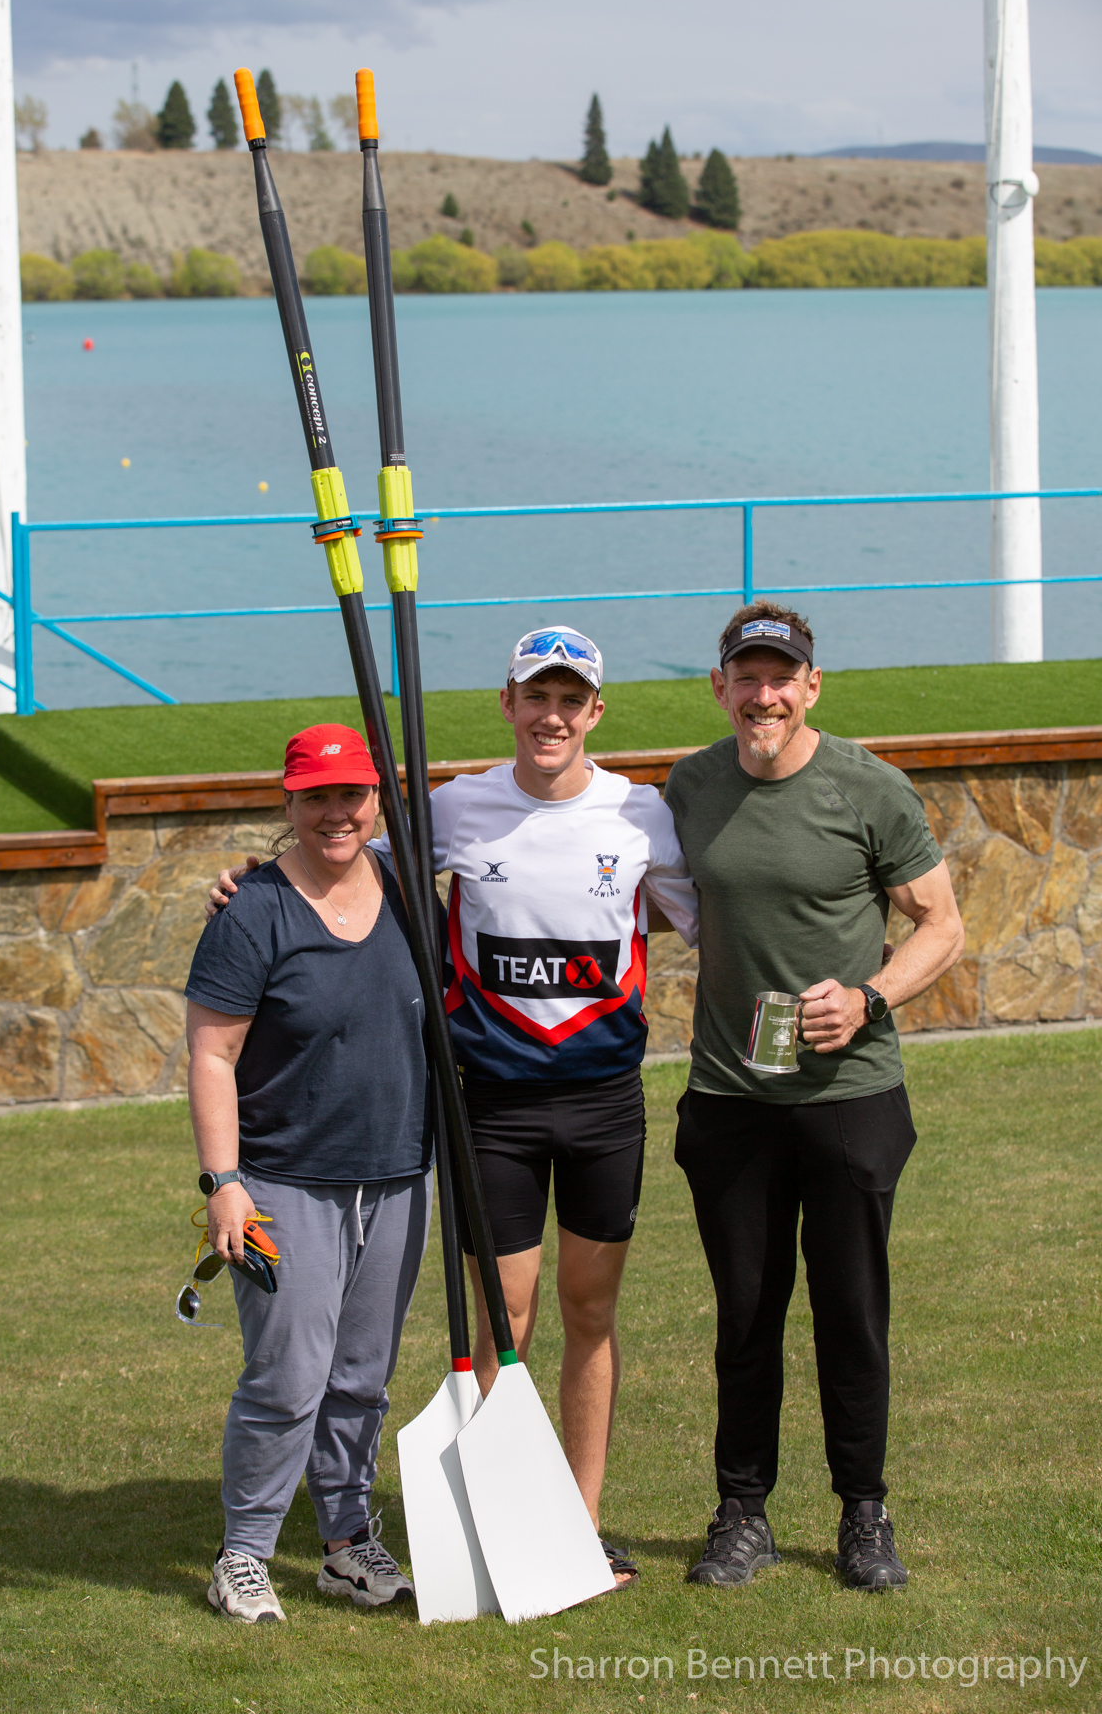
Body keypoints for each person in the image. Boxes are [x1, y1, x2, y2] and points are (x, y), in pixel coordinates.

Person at [211, 627, 699, 1587]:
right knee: (501, 1321)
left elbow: (713, 922)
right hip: (496, 1108)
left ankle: (579, 1523)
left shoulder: (642, 816)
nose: (552, 715)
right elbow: (342, 853)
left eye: (572, 700)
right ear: (508, 706)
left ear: (596, 711)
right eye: (535, 697)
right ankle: (495, 1521)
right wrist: (251, 881)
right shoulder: (456, 808)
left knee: (589, 1310)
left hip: (604, 1102)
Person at [663, 604, 964, 1594]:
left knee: (851, 1311)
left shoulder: (869, 788)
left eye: (780, 677)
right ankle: (741, 1514)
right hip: (730, 1097)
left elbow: (941, 925)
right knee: (745, 1316)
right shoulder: (691, 785)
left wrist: (870, 994)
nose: (764, 695)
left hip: (850, 1097)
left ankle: (864, 1515)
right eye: (746, 677)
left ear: (812, 687)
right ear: (720, 688)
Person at [185, 723, 433, 1624]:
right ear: (288, 801)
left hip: (400, 1174)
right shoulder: (252, 909)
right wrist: (225, 1182)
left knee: (362, 1375)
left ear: (378, 801)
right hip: (284, 1181)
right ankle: (244, 1552)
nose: (337, 812)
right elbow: (212, 1056)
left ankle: (343, 1543)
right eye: (317, 795)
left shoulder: (410, 893)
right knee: (288, 1376)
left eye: (353, 795)